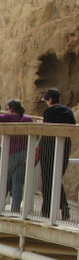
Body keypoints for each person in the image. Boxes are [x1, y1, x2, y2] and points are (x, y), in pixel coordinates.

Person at [0, 100, 33, 213]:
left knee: (5, 179)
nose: (7, 111)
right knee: (18, 181)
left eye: (7, 109)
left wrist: (4, 115)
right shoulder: (27, 119)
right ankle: (15, 208)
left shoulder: (10, 118)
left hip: (11, 153)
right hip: (25, 153)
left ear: (12, 109)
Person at [39, 88, 75, 219]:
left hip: (49, 146)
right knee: (56, 177)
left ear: (49, 100)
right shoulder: (68, 111)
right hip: (64, 146)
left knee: (48, 178)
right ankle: (63, 207)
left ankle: (47, 210)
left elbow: (47, 127)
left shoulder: (48, 112)